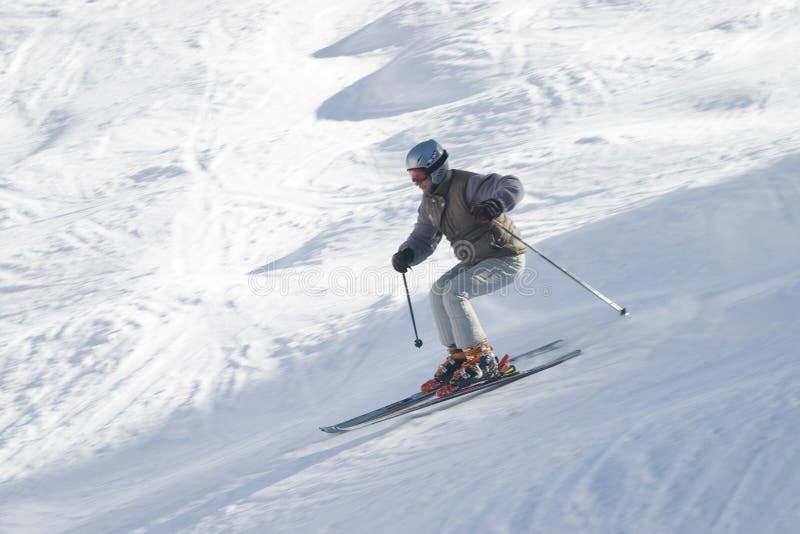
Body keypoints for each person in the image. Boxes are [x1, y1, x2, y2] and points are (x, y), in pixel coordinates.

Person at [392, 139, 527, 396]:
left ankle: (481, 360)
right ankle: (460, 357)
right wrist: (407, 254)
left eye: (419, 176)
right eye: (412, 177)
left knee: (455, 292)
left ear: (436, 170)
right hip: (477, 261)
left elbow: (512, 185)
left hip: (506, 257)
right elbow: (423, 238)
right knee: (439, 289)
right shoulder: (429, 203)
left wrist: (496, 203)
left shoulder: (468, 185)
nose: (416, 182)